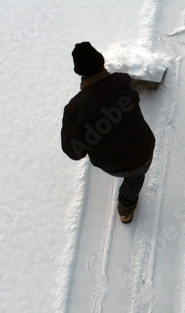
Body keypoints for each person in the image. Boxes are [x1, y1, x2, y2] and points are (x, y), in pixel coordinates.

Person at [61, 42, 156, 223]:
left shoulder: (74, 108)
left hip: (111, 165)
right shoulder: (123, 81)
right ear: (101, 61)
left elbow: (74, 152)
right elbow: (134, 98)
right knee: (135, 178)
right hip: (143, 153)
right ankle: (126, 209)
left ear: (79, 72)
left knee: (128, 170)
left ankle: (127, 207)